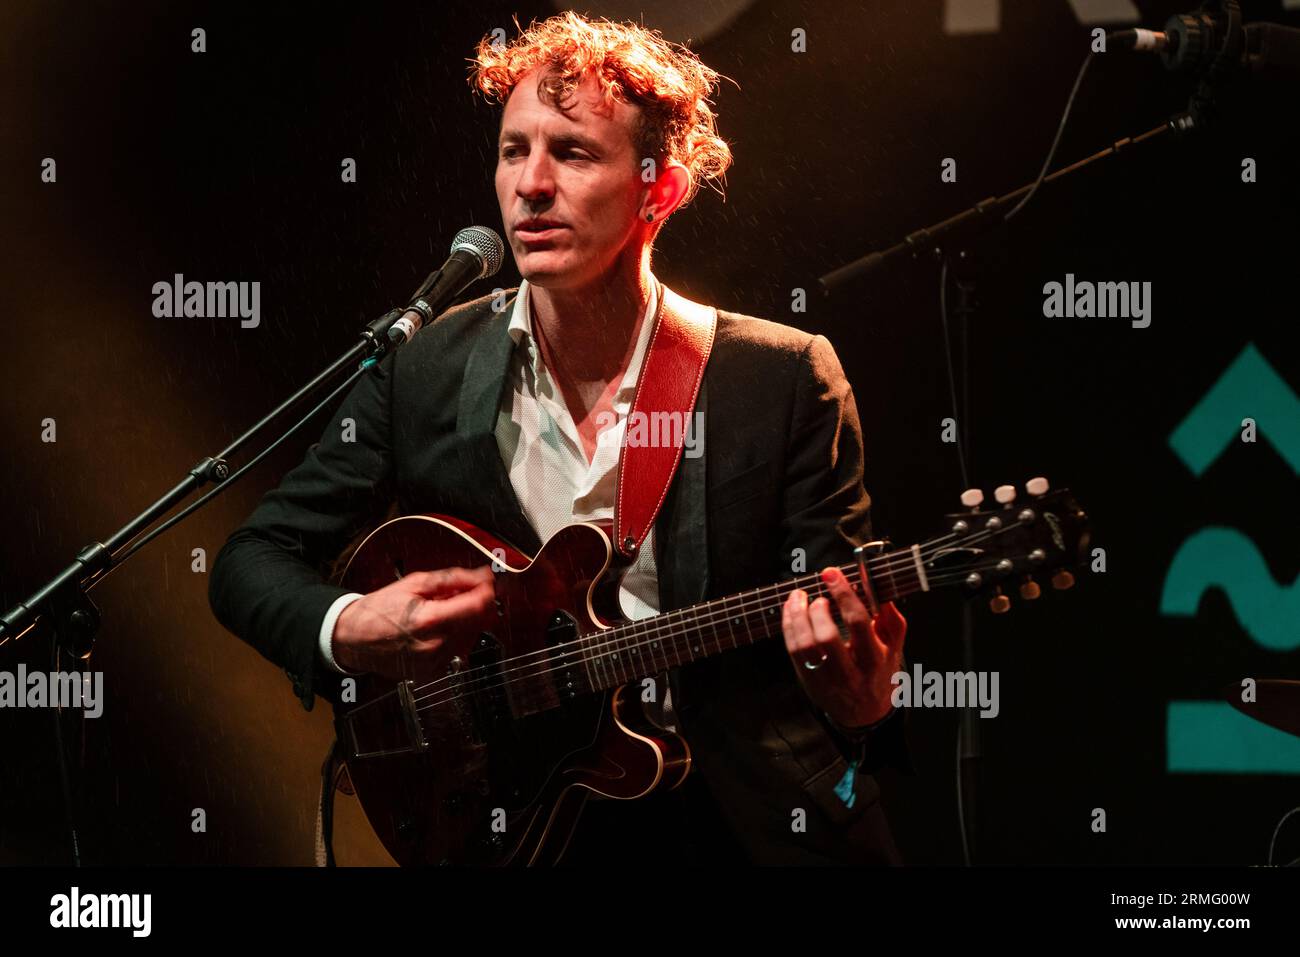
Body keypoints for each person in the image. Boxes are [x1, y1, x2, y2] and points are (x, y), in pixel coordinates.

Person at [209, 11, 909, 866]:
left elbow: (840, 641)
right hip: (517, 830)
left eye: (573, 153)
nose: (530, 185)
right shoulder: (422, 364)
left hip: (736, 828)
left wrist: (862, 698)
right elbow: (251, 559)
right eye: (513, 150)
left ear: (662, 189)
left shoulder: (783, 378)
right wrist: (349, 625)